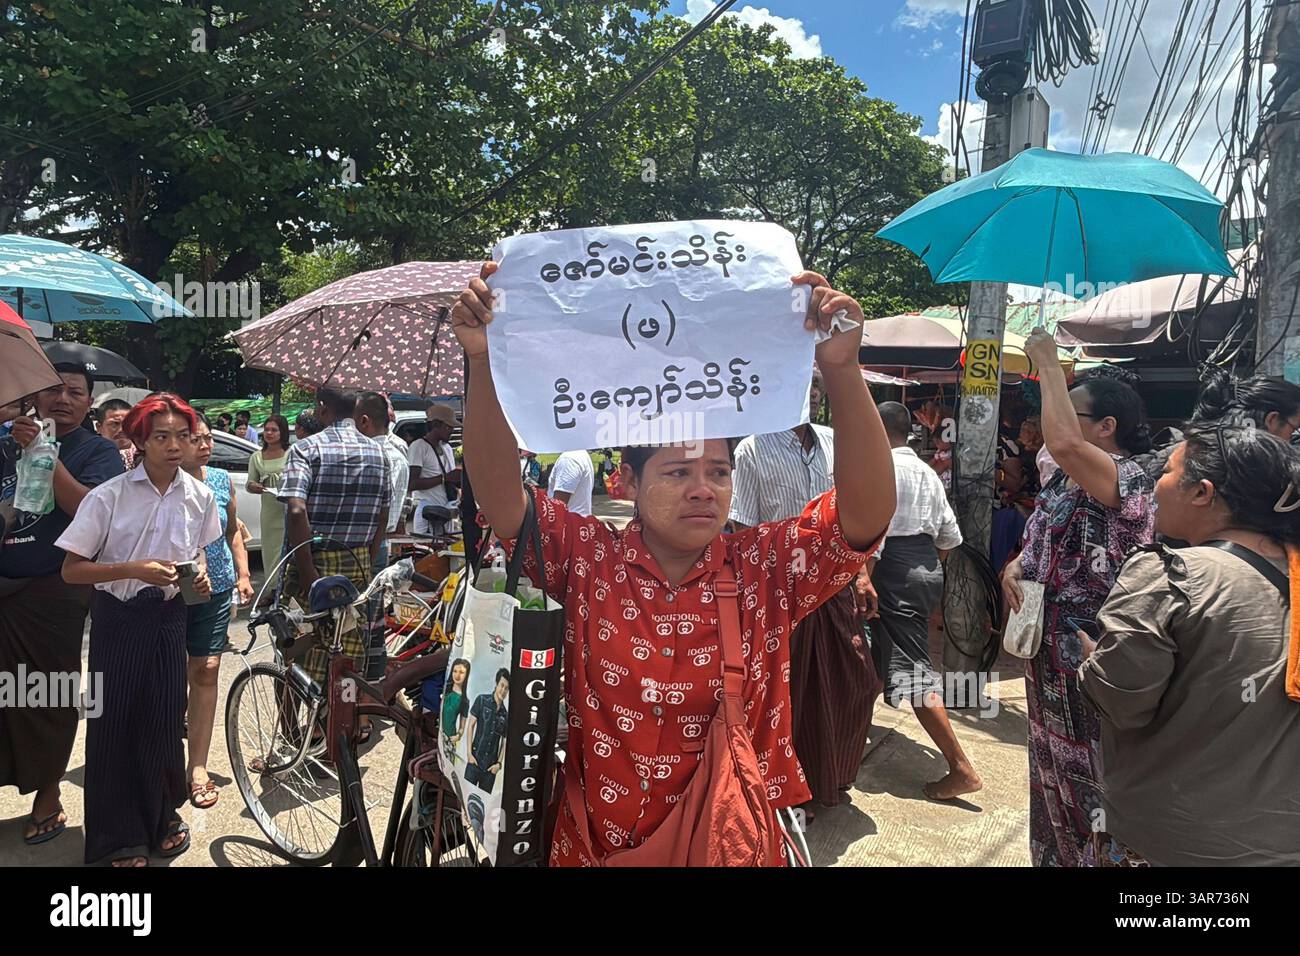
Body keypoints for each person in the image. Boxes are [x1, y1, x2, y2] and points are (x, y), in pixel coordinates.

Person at [451, 261, 896, 866]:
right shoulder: (587, 557)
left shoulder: (764, 567)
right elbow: (502, 495)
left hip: (729, 844)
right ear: (628, 481)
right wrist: (483, 361)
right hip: (592, 846)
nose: (703, 489)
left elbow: (863, 517)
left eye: (718, 472)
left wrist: (841, 371)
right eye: (679, 472)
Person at [1077, 419, 1300, 867]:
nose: (1156, 486)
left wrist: (1095, 661)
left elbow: (1123, 703)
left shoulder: (1169, 576)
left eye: (1168, 472)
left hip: (1170, 843)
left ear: (1202, 492)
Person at [1002, 329, 1156, 867]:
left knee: (1091, 783)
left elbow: (1066, 443)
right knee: (1050, 778)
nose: (1054, 421)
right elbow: (1040, 539)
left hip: (1090, 662)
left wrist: (1046, 360)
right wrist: (1016, 566)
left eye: (1072, 409)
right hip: (1045, 658)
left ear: (1107, 427)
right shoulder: (1064, 482)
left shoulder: (1129, 480)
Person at [56, 393, 221, 866]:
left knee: (164, 721)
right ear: (139, 441)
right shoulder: (109, 496)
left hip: (169, 617)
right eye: (162, 437)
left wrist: (201, 576)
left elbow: (198, 555)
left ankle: (161, 815)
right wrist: (134, 569)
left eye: (182, 436)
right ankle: (118, 836)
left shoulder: (200, 496)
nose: (174, 446)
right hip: (118, 619)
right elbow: (72, 570)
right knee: (113, 724)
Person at [729, 370, 883, 814]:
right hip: (780, 593)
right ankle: (785, 792)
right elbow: (743, 530)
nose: (811, 393)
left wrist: (863, 574)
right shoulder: (753, 449)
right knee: (787, 695)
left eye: (816, 386)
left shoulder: (836, 441)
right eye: (802, 383)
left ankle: (829, 776)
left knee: (853, 682)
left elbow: (860, 516)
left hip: (835, 587)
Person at [0, 364, 124, 846]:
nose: (62, 399)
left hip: (55, 588)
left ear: (88, 401)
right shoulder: (7, 439)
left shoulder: (98, 452)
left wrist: (43, 454)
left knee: (46, 692)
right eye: (53, 389)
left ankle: (48, 794)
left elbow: (92, 513)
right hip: (3, 580)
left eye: (75, 392)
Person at [868, 402, 976, 800]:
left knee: (911, 669)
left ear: (877, 429)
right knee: (881, 655)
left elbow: (873, 534)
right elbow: (950, 537)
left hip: (891, 569)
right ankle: (846, 742)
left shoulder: (882, 468)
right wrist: (925, 568)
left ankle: (961, 766)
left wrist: (872, 579)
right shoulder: (927, 473)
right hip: (927, 565)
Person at [279, 386, 391, 689]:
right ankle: (333, 729)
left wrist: (307, 573)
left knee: (293, 653)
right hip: (356, 568)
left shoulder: (306, 448)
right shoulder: (380, 453)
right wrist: (367, 558)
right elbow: (384, 514)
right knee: (345, 659)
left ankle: (293, 732)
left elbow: (296, 510)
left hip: (312, 564)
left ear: (321, 408)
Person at [181, 412, 254, 810]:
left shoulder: (223, 481)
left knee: (206, 668)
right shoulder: (163, 484)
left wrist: (243, 574)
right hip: (172, 589)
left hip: (219, 585)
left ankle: (198, 766)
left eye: (208, 438)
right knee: (170, 671)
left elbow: (233, 534)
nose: (205, 445)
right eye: (196, 438)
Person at [353, 391, 409, 569]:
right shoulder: (396, 456)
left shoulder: (372, 456)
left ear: (364, 421)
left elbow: (379, 512)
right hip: (379, 541)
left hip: (368, 543)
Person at [247, 414, 290, 578]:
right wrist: (254, 486)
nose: (269, 433)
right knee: (270, 550)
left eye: (274, 430)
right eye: (267, 430)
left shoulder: (291, 453)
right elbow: (250, 482)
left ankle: (287, 589)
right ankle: (272, 588)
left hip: (288, 510)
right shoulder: (256, 457)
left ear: (282, 433)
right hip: (269, 512)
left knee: (287, 550)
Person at [408, 404, 460, 536]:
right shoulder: (419, 447)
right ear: (436, 424)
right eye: (448, 427)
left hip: (446, 512)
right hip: (427, 512)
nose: (451, 431)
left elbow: (451, 479)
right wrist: (444, 478)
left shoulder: (447, 448)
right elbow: (412, 483)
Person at [463, 668, 510, 793]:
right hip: (474, 762)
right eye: (502, 685)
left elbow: (505, 742)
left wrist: (499, 764)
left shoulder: (506, 715)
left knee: (482, 807)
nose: (503, 690)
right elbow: (470, 725)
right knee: (465, 800)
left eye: (506, 688)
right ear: (496, 684)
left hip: (490, 770)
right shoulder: (482, 700)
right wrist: (469, 754)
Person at [547, 449, 595, 517]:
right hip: (579, 521)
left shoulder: (568, 459)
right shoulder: (580, 453)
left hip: (568, 522)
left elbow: (559, 504)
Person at [442, 658, 472, 765]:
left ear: (467, 675)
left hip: (449, 738)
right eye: (455, 671)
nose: (457, 675)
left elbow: (462, 727)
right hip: (438, 733)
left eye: (461, 672)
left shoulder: (464, 701)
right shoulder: (445, 688)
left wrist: (458, 736)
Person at [97, 398, 136, 469]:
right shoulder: (91, 456)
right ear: (99, 427)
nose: (121, 430)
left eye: (127, 424)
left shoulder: (148, 456)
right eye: (115, 424)